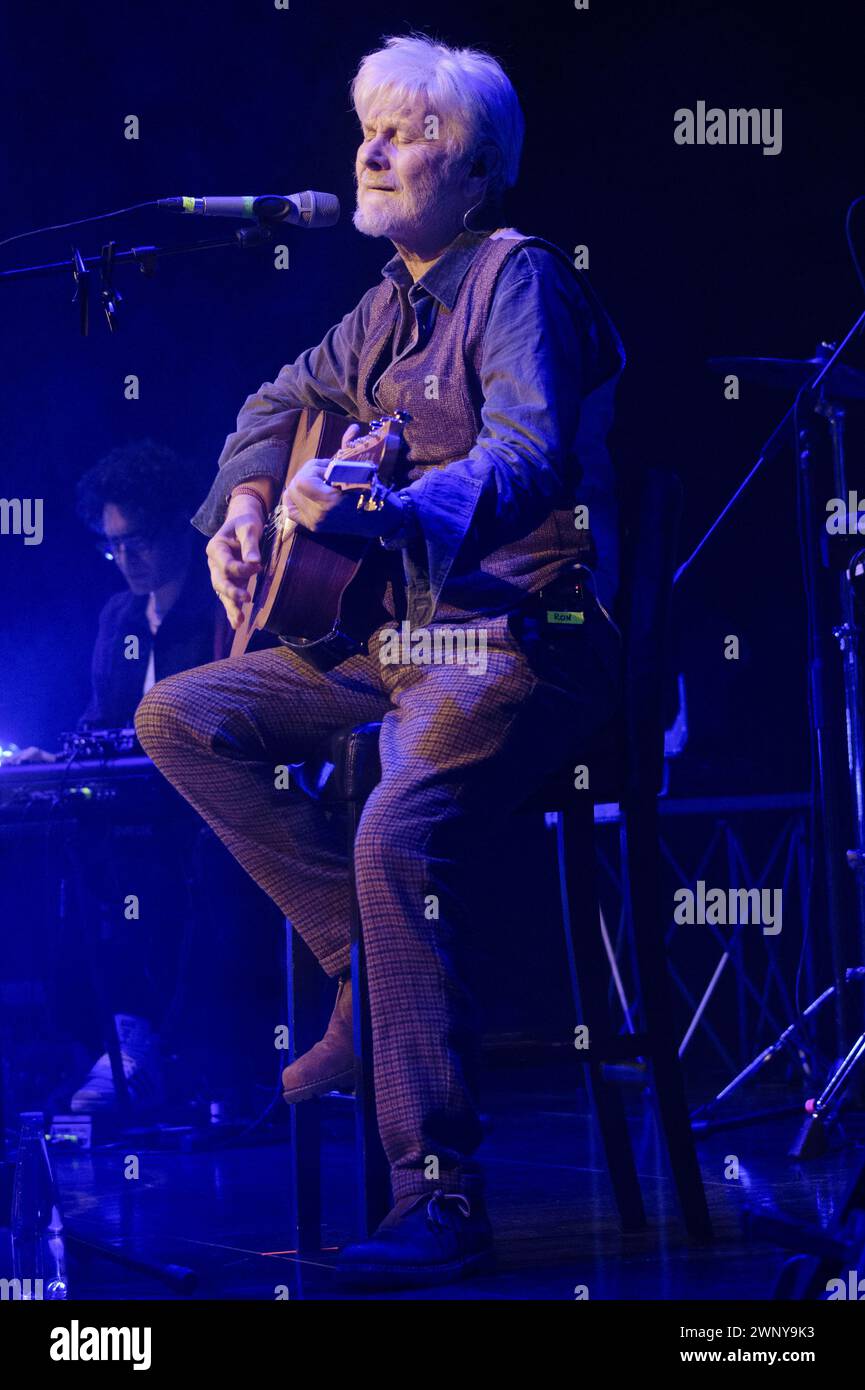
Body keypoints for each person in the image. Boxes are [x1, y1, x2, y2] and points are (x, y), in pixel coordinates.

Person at [135, 33, 626, 1288]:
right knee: (180, 717)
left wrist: (383, 507)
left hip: (516, 635)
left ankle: (441, 1195)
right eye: (369, 126)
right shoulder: (384, 308)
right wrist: (246, 503)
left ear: (477, 175)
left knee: (391, 832)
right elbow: (267, 402)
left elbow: (528, 456)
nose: (370, 149)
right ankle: (362, 963)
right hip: (396, 645)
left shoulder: (514, 277)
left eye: (406, 133)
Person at [8, 441, 225, 1111]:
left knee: (177, 868)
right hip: (138, 800)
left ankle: (168, 1044)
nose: (126, 560)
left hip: (206, 800)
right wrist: (61, 756)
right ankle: (115, 1037)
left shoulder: (222, 606)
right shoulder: (118, 616)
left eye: (139, 543)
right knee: (78, 856)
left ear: (179, 530)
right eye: (113, 546)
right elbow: (104, 716)